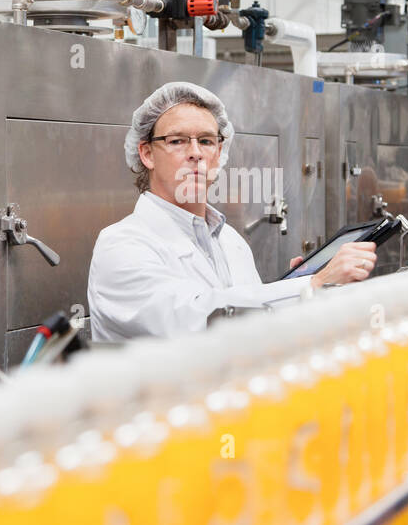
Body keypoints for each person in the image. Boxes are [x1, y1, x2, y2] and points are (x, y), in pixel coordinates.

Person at [88, 81, 378, 341]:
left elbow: (251, 332)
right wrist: (309, 284)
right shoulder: (121, 245)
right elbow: (196, 319)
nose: (195, 153)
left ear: (219, 152)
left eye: (206, 141)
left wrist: (298, 290)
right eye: (177, 141)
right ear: (147, 154)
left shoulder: (229, 240)